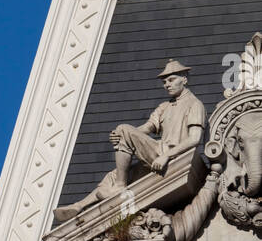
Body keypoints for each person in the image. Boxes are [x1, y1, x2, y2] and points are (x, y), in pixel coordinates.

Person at [53, 59, 206, 224]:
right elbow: (147, 128)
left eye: (171, 80)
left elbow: (195, 138)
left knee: (124, 131)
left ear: (184, 79)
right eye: (164, 82)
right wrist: (121, 136)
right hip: (157, 154)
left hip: (173, 158)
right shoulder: (164, 107)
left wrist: (166, 156)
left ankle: (120, 187)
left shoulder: (195, 104)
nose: (166, 85)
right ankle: (78, 206)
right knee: (114, 173)